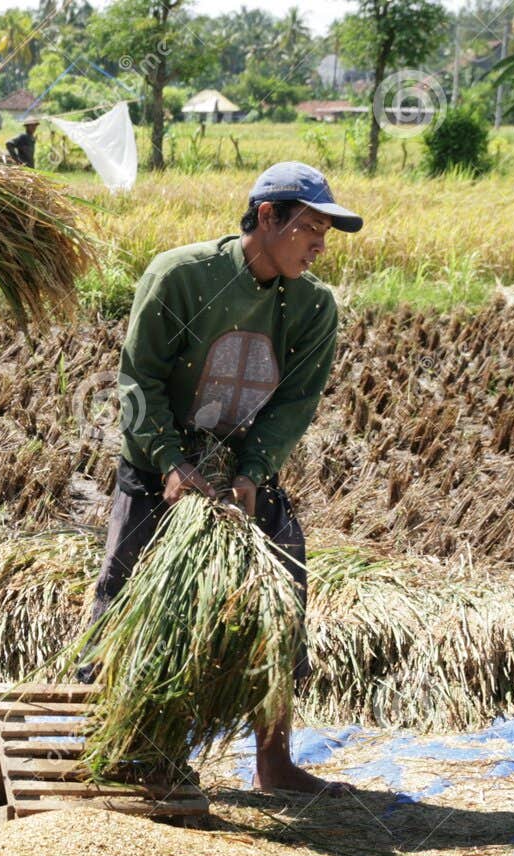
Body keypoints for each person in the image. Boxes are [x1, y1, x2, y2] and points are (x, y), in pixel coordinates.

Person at [88, 161, 363, 796]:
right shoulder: (181, 277)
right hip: (162, 465)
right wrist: (172, 464)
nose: (321, 245)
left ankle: (274, 761)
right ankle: (109, 743)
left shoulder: (314, 306)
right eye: (311, 227)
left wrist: (251, 473)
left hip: (240, 467)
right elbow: (139, 382)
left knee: (280, 599)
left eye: (327, 232)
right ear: (268, 217)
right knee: (124, 595)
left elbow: (295, 403)